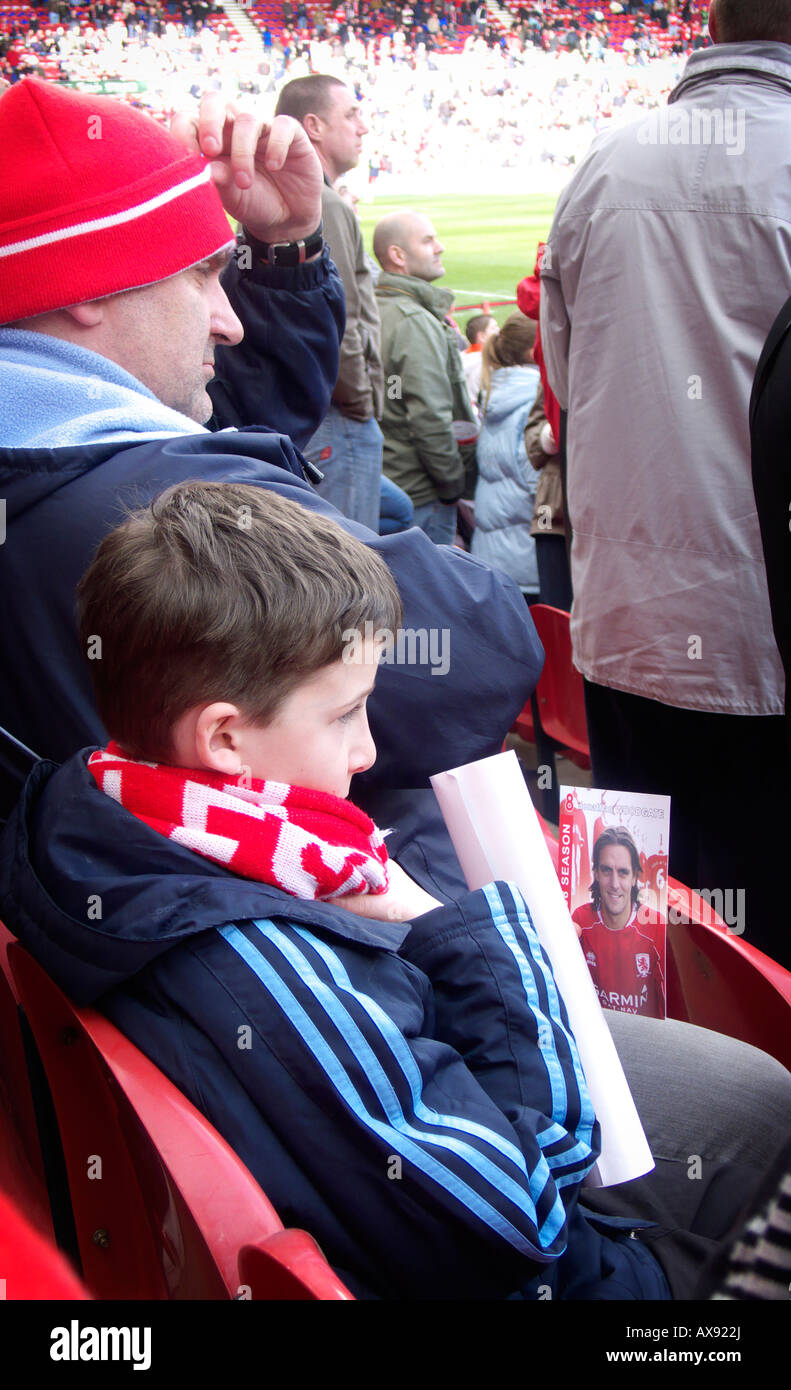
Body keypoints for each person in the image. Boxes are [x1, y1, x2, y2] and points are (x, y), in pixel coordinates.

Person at [0, 476, 782, 1303]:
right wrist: (458, 931)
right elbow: (519, 1220)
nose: (367, 750)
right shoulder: (257, 964)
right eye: (345, 714)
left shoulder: (90, 812)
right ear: (224, 736)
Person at [0, 78, 542, 808]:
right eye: (202, 277)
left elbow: (232, 416)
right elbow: (476, 655)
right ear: (86, 288)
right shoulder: (151, 492)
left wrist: (283, 252)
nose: (229, 321)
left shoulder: (58, 459)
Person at [540, 0, 791, 965]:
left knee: (649, 953)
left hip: (631, 632)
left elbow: (568, 389)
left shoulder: (604, 164)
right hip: (756, 634)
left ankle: (665, 1106)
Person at [274, 74, 385, 531]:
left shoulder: (290, 197)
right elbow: (343, 318)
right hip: (336, 415)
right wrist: (360, 402)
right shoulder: (323, 203)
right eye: (351, 115)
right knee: (353, 569)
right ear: (314, 126)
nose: (363, 127)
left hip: (309, 409)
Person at [373, 209, 478, 544]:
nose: (440, 247)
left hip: (386, 484)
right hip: (421, 496)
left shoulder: (371, 308)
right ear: (398, 255)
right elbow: (430, 419)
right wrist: (451, 486)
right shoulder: (413, 321)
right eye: (428, 240)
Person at [470, 312, 541, 603]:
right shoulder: (531, 402)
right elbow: (535, 477)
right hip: (526, 558)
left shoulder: (500, 394)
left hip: (494, 556)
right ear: (534, 351)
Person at [572, 827, 666, 1018]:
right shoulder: (580, 921)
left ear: (634, 878)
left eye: (623, 872)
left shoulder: (656, 927)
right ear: (596, 873)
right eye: (606, 870)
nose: (614, 883)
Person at [461, 311, 498, 413]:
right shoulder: (484, 362)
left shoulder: (462, 356)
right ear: (482, 336)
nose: (498, 331)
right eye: (493, 328)